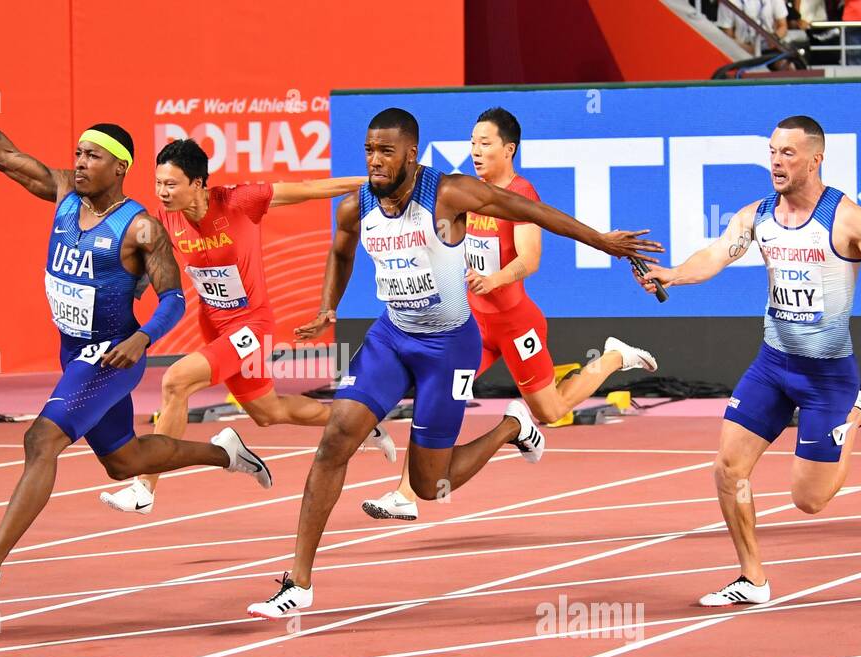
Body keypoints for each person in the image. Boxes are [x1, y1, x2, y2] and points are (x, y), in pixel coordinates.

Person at [246, 107, 662, 618]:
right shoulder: (356, 205)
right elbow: (341, 251)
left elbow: (528, 211)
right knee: (336, 439)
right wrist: (328, 306)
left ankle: (511, 425)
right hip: (392, 337)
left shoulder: (447, 193)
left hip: (450, 346)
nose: (375, 161)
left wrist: (603, 241)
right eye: (369, 151)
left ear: (411, 155)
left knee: (429, 484)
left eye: (386, 152)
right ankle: (300, 581)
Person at [0, 72, 273, 597]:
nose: (78, 163)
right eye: (76, 154)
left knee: (40, 440)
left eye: (91, 156)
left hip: (109, 359)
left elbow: (172, 298)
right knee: (124, 461)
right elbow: (1, 154)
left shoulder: (140, 227)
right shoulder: (62, 195)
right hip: (72, 351)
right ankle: (226, 453)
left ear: (119, 167)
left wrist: (142, 339)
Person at [636, 116, 861, 606]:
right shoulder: (758, 216)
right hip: (772, 365)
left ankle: (855, 413)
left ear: (815, 159)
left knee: (808, 501)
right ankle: (753, 579)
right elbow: (718, 253)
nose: (776, 162)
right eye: (771, 152)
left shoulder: (846, 218)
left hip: (828, 377)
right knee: (727, 469)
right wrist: (674, 275)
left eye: (787, 153)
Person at [362, 107, 657, 522]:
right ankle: (406, 493)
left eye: (485, 144)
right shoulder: (466, 194)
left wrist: (495, 278)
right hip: (472, 325)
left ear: (509, 149)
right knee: (435, 393)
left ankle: (611, 357)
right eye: (472, 143)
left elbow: (530, 258)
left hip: (515, 322)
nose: (476, 151)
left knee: (551, 412)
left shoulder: (521, 192)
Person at [99, 138, 395, 516]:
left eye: (171, 184)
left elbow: (306, 190)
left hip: (251, 326)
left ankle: (144, 487)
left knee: (176, 381)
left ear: (198, 183)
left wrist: (374, 185)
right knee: (268, 412)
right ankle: (362, 422)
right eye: (159, 183)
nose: (163, 192)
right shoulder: (164, 217)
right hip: (213, 324)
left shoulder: (240, 201)